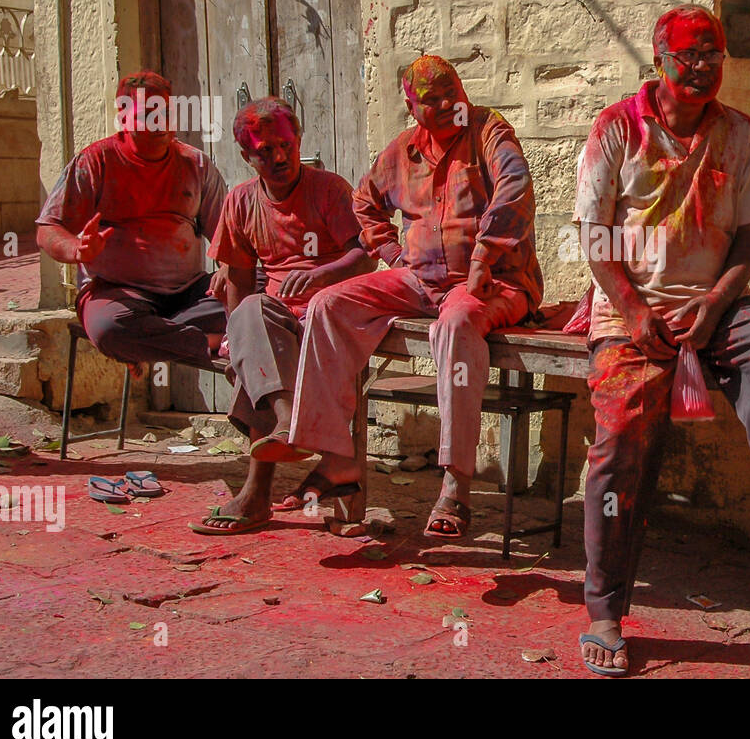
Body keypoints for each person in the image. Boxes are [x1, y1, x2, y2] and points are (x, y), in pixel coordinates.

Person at [573, 5, 750, 678]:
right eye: (687, 56)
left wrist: (719, 299)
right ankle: (605, 611)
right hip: (631, 315)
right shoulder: (616, 129)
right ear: (659, 58)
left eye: (712, 56)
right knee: (620, 439)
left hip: (717, 307)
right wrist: (635, 312)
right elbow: (595, 237)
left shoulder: (741, 134)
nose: (700, 69)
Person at [270, 55, 544, 537]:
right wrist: (394, 255)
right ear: (411, 106)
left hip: (493, 281)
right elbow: (364, 202)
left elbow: (516, 189)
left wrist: (483, 256)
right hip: (420, 281)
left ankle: (455, 487)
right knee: (327, 306)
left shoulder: (489, 130)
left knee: (455, 325)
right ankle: (337, 461)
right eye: (431, 99)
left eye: (451, 92)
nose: (445, 104)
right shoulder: (402, 152)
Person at [189, 97, 373, 535]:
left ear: (299, 140)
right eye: (263, 150)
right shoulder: (240, 202)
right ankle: (289, 421)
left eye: (284, 144)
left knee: (269, 359)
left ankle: (257, 490)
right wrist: (236, 334)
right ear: (246, 156)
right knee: (250, 323)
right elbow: (237, 278)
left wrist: (320, 274)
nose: (277, 157)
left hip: (329, 313)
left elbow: (364, 257)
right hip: (274, 317)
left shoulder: (330, 190)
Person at [36, 71, 227, 373]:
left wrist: (229, 268)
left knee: (261, 290)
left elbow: (225, 236)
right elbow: (48, 229)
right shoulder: (94, 162)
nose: (160, 122)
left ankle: (148, 339)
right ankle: (210, 342)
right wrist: (77, 249)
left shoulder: (197, 165)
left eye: (165, 112)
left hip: (189, 294)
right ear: (124, 117)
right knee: (109, 329)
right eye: (148, 114)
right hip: (117, 294)